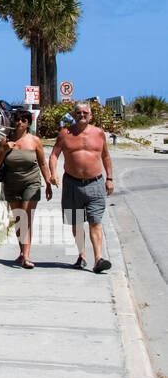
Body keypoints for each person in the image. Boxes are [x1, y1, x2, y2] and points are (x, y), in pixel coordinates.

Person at [48, 101, 113, 272]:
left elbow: (106, 156)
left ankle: (98, 259)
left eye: (85, 113)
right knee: (76, 222)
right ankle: (82, 255)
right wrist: (53, 173)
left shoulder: (99, 133)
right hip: (72, 184)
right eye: (78, 113)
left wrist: (109, 178)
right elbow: (54, 155)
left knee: (95, 221)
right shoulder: (65, 134)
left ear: (90, 115)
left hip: (95, 183)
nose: (82, 115)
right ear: (73, 115)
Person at [0, 108, 53, 268]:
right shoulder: (5, 140)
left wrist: (48, 183)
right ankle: (22, 252)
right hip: (12, 183)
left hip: (31, 183)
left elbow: (42, 163)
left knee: (26, 217)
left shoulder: (35, 141)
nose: (19, 122)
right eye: (17, 119)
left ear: (28, 124)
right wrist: (4, 150)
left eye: (23, 120)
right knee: (19, 219)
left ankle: (26, 257)